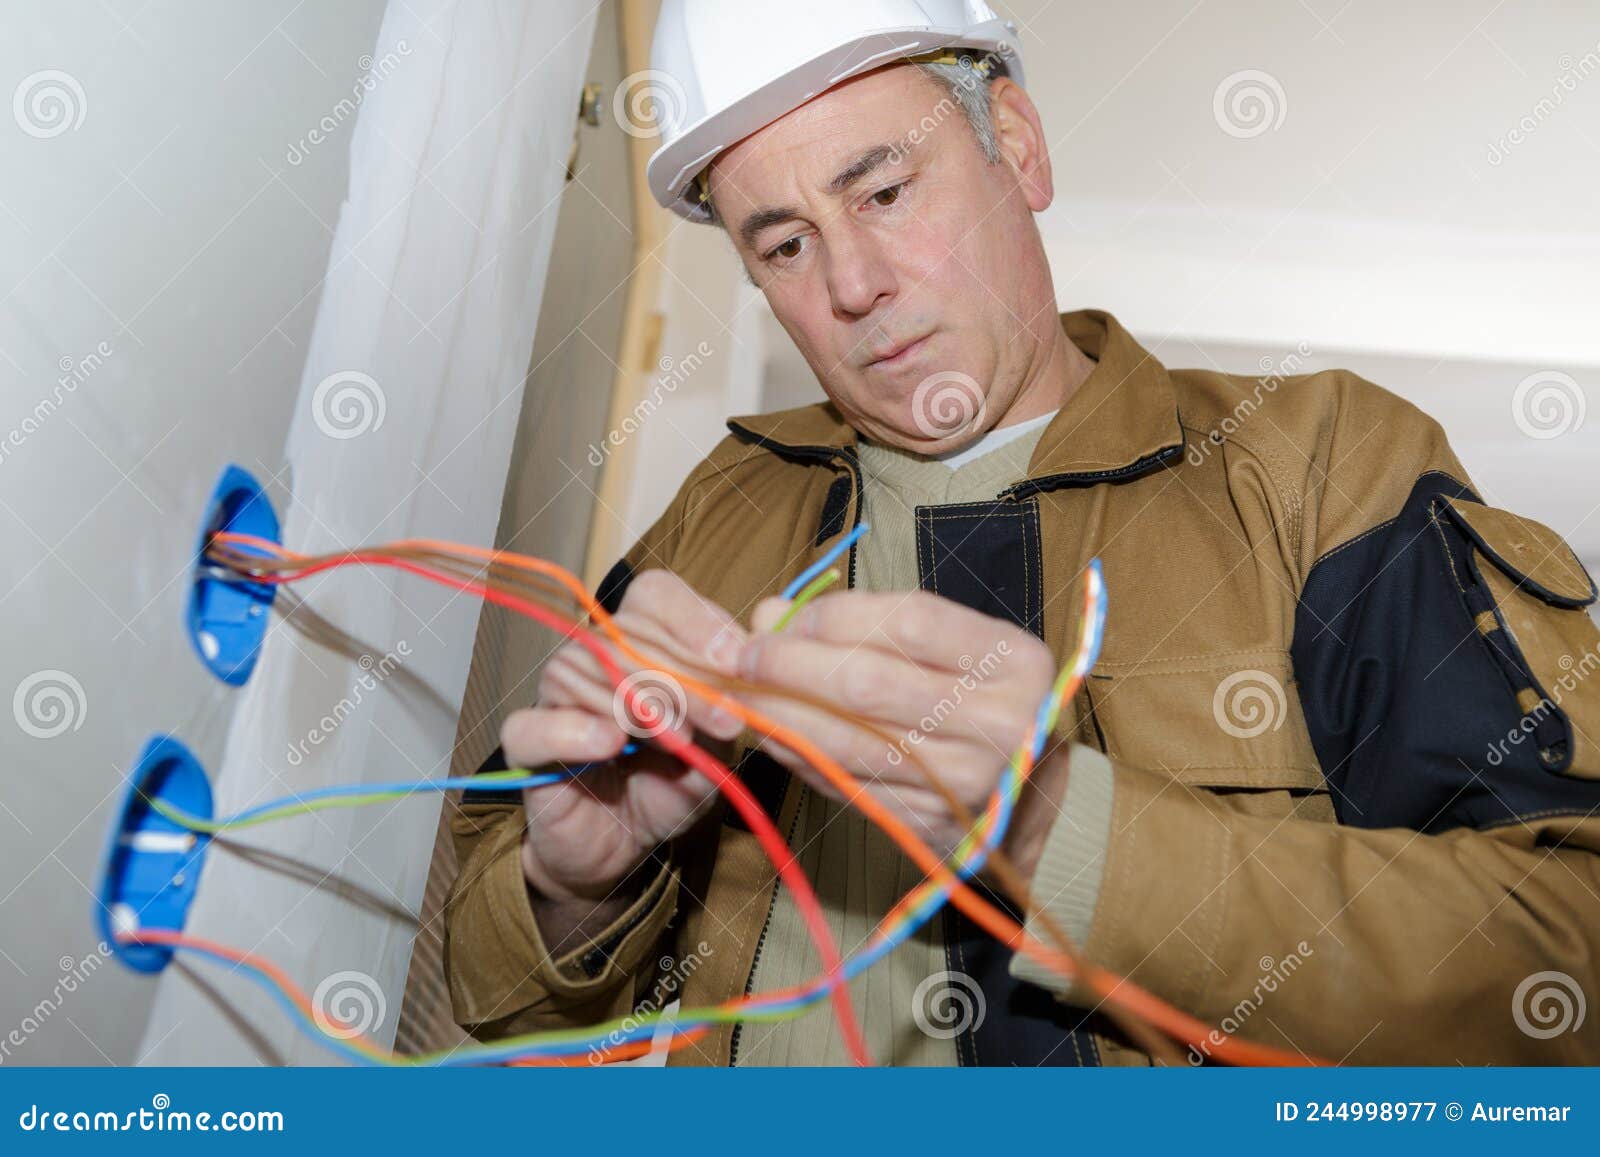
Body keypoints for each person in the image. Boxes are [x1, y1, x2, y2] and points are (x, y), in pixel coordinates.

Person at [442, 0, 1600, 1065]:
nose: (850, 284)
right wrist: (575, 889)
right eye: (783, 243)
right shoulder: (724, 501)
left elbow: (1562, 968)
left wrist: (1057, 827)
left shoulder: (1315, 462)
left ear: (1020, 144)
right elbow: (497, 1003)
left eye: (883, 191)